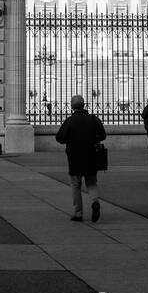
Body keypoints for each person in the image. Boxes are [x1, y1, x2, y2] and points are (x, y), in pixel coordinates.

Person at [55, 94, 106, 222]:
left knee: (76, 185)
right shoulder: (93, 119)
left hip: (74, 157)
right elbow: (103, 135)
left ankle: (78, 213)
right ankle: (95, 201)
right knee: (91, 182)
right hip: (91, 155)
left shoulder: (69, 121)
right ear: (84, 105)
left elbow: (59, 138)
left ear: (72, 107)